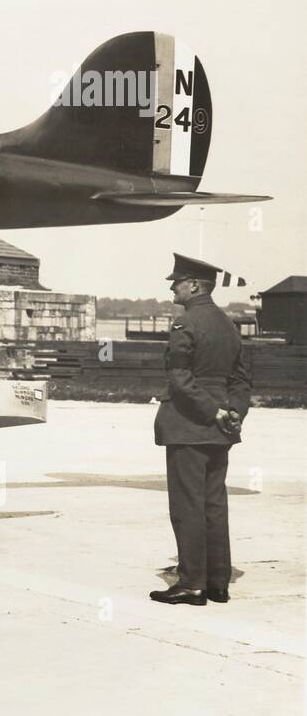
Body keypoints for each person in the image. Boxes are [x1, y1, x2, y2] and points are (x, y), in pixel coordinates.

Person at [149, 254, 252, 606]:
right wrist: (233, 413)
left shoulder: (185, 324)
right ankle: (217, 581)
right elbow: (240, 380)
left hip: (189, 425)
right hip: (220, 430)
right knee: (214, 504)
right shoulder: (228, 325)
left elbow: (180, 378)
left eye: (176, 282)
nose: (172, 287)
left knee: (187, 505)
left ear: (193, 285)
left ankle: (192, 582)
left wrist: (212, 411)